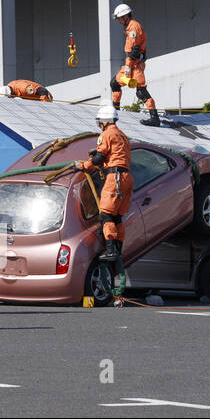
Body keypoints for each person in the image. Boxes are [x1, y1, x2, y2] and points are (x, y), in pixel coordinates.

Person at [78, 104, 134, 296]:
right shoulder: (123, 135)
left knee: (105, 214)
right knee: (118, 216)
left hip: (115, 177)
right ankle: (117, 247)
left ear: (105, 121)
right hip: (127, 178)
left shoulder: (106, 135)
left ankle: (110, 249)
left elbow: (101, 156)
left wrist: (85, 165)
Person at [110, 3, 159, 126]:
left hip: (134, 65)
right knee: (114, 83)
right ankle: (115, 111)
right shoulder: (131, 27)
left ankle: (155, 118)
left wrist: (127, 68)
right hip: (132, 63)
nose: (119, 21)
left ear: (125, 16)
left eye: (120, 18)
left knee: (141, 92)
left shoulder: (133, 28)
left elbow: (134, 51)